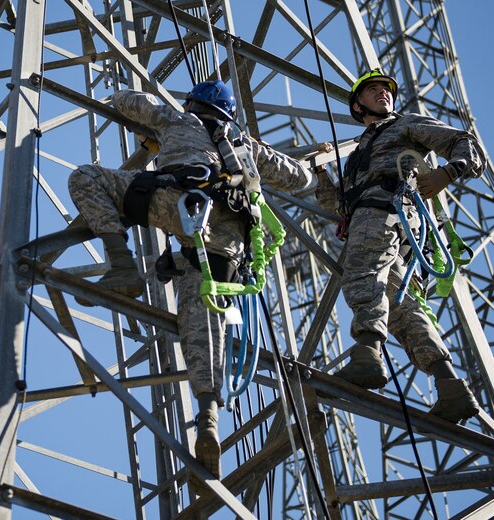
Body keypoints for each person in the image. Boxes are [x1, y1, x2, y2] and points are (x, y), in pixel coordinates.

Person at [67, 81, 311, 485]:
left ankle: (122, 264)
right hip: (227, 236)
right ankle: (208, 420)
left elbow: (131, 103)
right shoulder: (247, 146)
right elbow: (299, 178)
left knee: (87, 178)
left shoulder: (178, 118)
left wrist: (119, 95)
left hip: (180, 202)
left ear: (194, 103)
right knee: (202, 321)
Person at [314, 69, 483, 423]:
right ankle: (450, 385)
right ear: (359, 106)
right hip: (376, 219)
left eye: (386, 90)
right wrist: (321, 173)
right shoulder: (359, 154)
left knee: (363, 275)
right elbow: (339, 204)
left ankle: (367, 355)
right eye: (373, 90)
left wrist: (449, 172)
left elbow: (464, 142)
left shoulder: (404, 125)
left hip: (388, 211)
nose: (383, 94)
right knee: (400, 306)